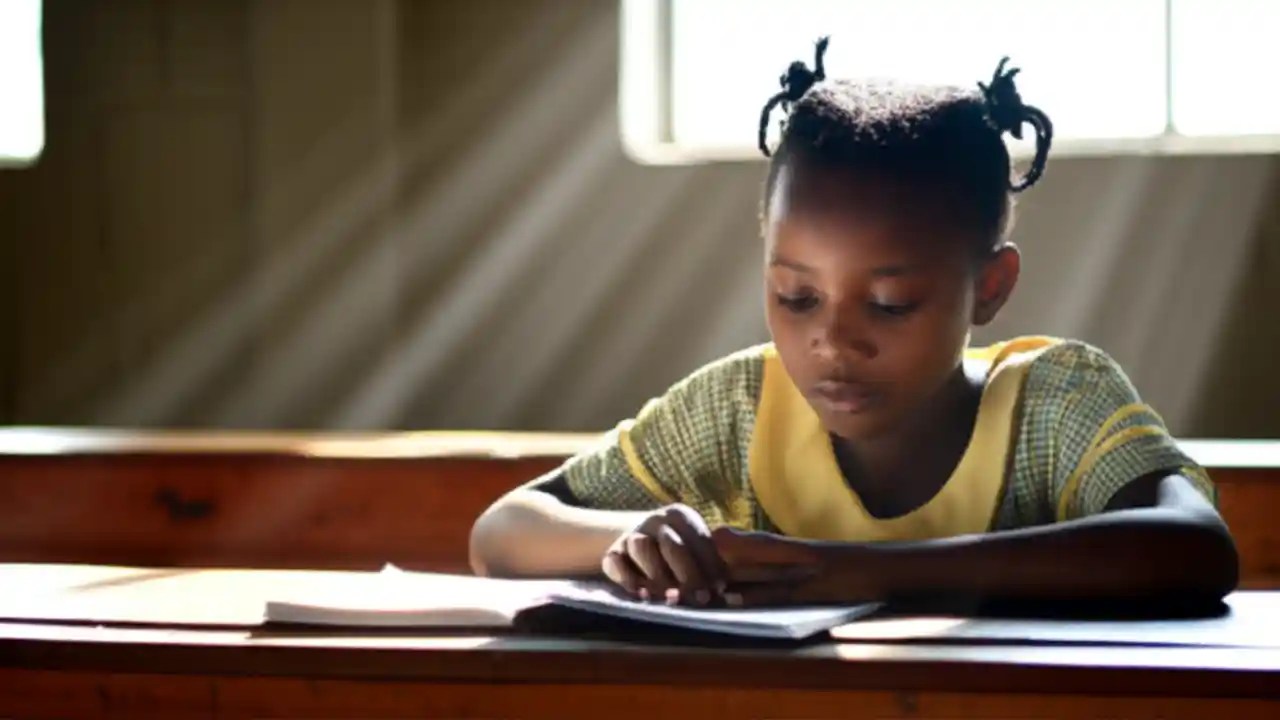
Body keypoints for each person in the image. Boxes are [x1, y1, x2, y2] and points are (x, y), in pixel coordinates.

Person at [469, 38, 1238, 607]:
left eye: (892, 304)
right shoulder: (735, 410)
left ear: (991, 287)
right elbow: (503, 531)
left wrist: (851, 572)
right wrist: (629, 540)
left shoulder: (1055, 403)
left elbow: (1194, 550)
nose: (832, 341)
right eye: (795, 298)